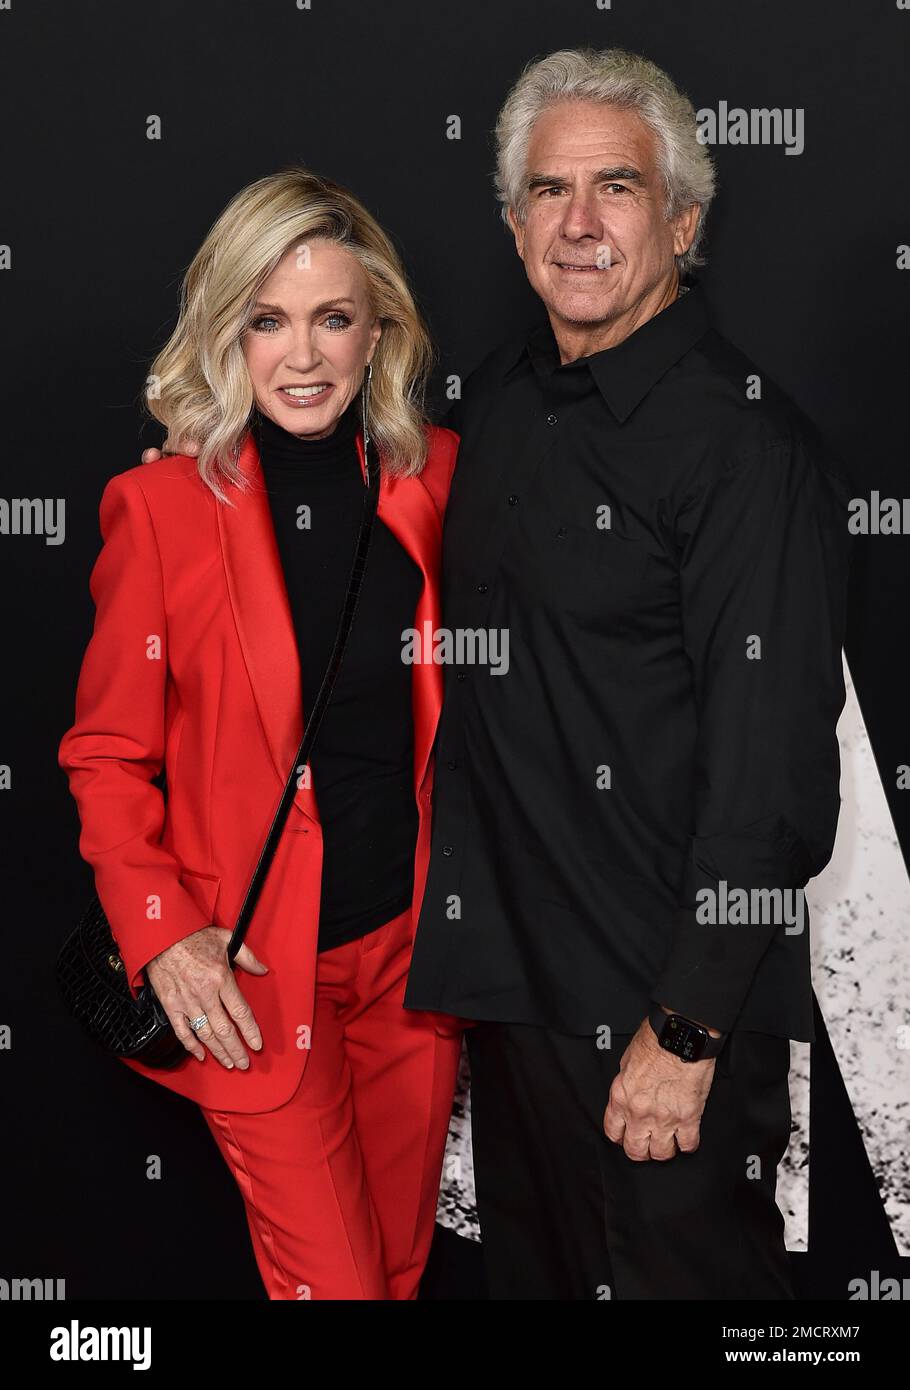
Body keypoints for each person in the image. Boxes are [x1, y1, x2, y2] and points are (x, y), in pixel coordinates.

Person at [402, 47, 852, 1299]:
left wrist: (688, 1031)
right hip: (515, 1000)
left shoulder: (746, 447)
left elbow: (770, 777)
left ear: (684, 218)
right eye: (549, 191)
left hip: (662, 1018)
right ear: (511, 222)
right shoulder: (495, 404)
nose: (581, 223)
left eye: (617, 186)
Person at [58, 167, 463, 1300]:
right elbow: (105, 753)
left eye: (333, 319)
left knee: (395, 1272)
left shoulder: (434, 479)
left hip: (411, 966)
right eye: (265, 319)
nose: (301, 355)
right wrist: (163, 934)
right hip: (253, 973)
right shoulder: (161, 510)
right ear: (223, 331)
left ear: (377, 330)